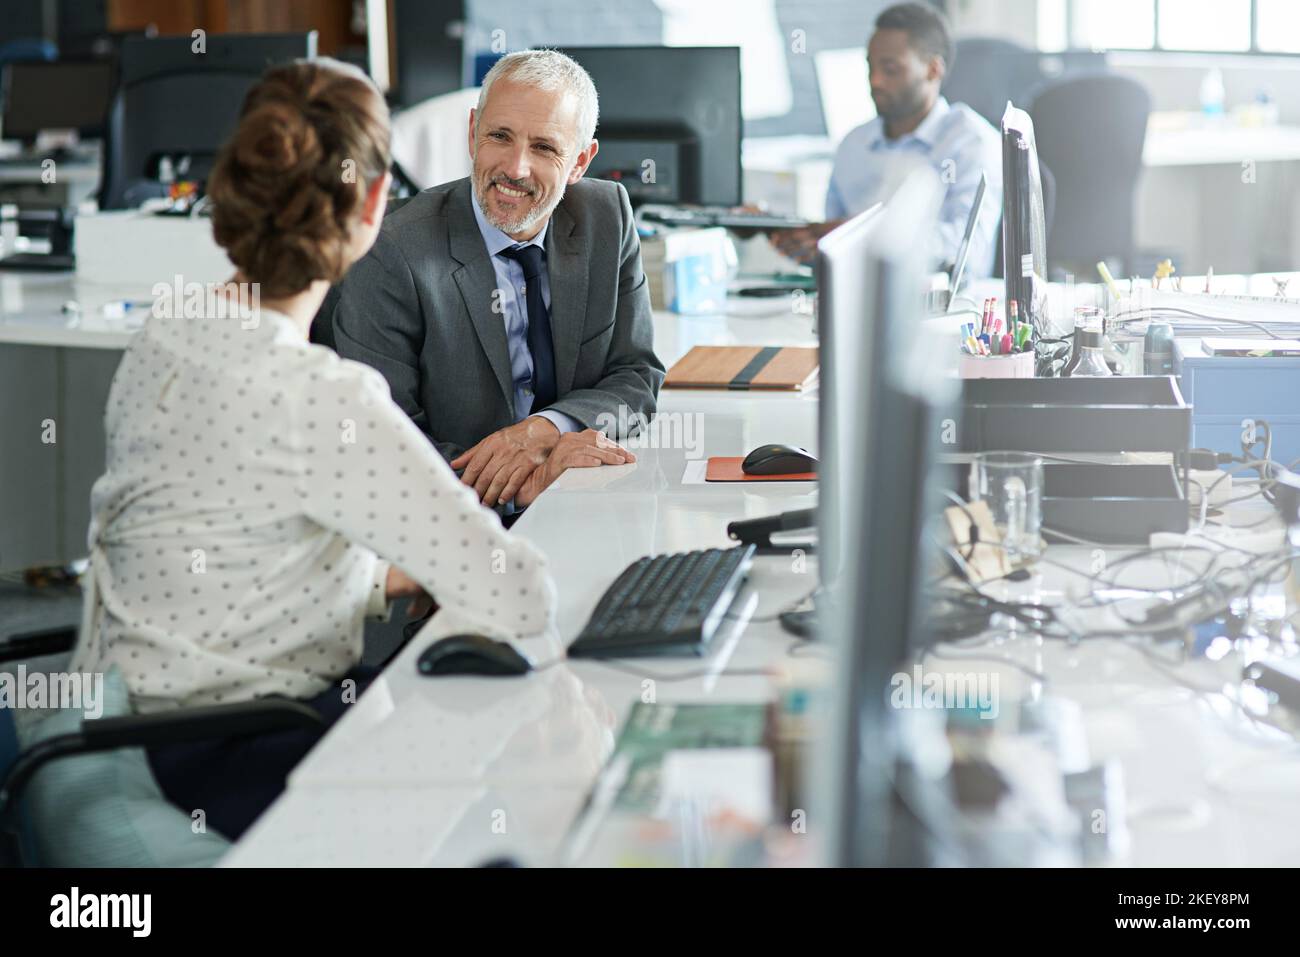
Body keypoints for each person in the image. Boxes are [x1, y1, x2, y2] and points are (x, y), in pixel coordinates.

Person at [69, 58, 632, 841]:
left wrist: (395, 569)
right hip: (252, 747)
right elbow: (520, 596)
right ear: (373, 206)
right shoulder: (326, 397)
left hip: (143, 712)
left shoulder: (168, 331)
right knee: (539, 772)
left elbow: (240, 551)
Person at [329, 49, 664, 513]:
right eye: (499, 137)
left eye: (544, 147)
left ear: (581, 162)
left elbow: (636, 377)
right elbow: (382, 447)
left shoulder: (606, 216)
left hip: (585, 500)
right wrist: (522, 489)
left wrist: (545, 430)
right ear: (471, 133)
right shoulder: (392, 249)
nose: (515, 168)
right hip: (447, 528)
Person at [771, 2, 1001, 276]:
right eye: (870, 67)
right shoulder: (853, 144)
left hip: (938, 307)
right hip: (853, 302)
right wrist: (807, 243)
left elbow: (967, 249)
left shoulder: (971, 142)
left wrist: (859, 235)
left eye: (890, 69)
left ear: (932, 70)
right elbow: (835, 239)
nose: (875, 81)